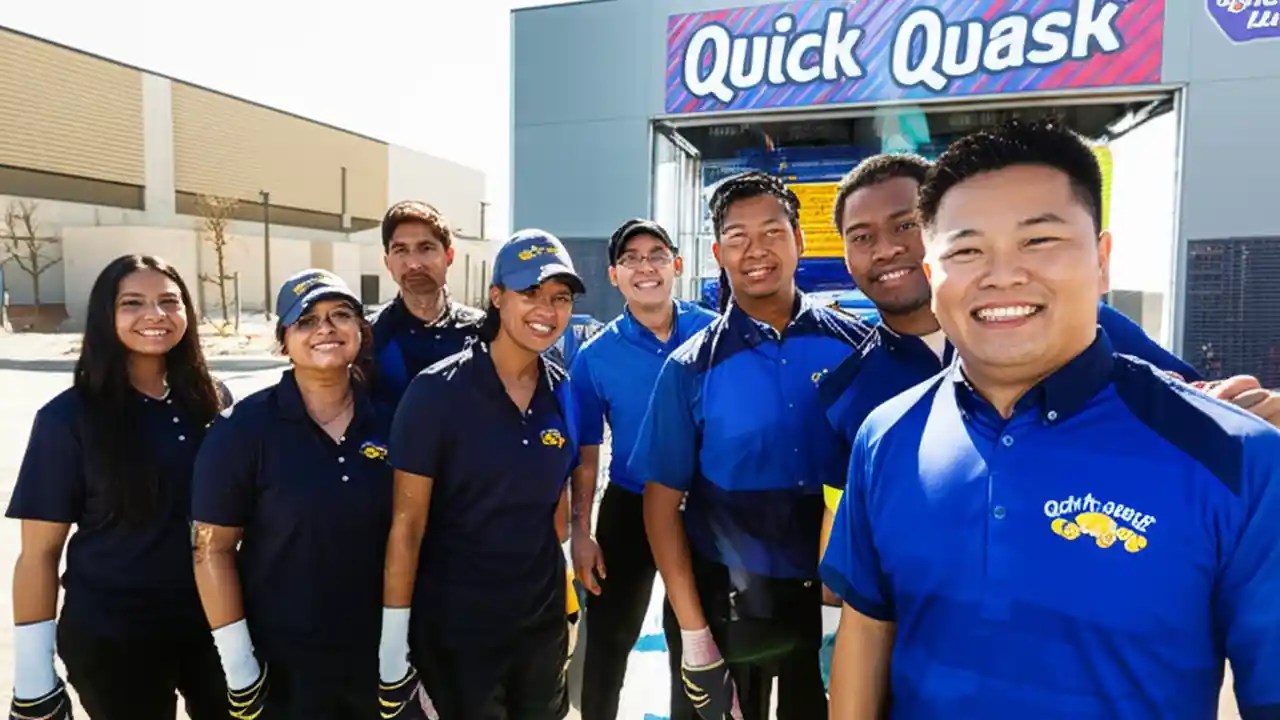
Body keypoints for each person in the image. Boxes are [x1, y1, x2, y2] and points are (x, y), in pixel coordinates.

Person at [820, 117, 1280, 719]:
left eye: (1039, 240)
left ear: (1102, 258)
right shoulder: (886, 434)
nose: (1002, 273)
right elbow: (868, 626)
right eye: (966, 249)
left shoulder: (1236, 456)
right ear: (934, 277)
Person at [817, 152, 1280, 519]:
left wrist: (1244, 415)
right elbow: (847, 549)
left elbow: (1202, 409)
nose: (887, 248)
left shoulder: (1087, 328)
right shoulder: (850, 393)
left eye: (906, 226)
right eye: (861, 237)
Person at [634, 171, 875, 720]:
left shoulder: (854, 349)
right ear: (718, 252)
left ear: (800, 240)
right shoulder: (690, 367)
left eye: (771, 231)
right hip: (725, 601)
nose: (755, 250)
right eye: (737, 237)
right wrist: (694, 636)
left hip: (833, 603)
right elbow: (661, 505)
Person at [7, 254, 231, 720]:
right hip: (114, 636)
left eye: (170, 301)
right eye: (133, 302)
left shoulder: (213, 401)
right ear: (106, 317)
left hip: (215, 623)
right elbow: (39, 554)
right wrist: (32, 674)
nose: (155, 315)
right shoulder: (66, 419)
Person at [379, 229, 585, 719]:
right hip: (458, 631)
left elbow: (553, 510)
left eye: (560, 298)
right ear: (497, 297)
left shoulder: (564, 391)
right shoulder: (436, 393)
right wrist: (392, 648)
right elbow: (406, 529)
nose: (546, 310)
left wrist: (566, 598)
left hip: (540, 626)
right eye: (530, 293)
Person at [190, 269, 391, 719]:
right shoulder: (241, 429)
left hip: (378, 655)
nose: (325, 328)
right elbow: (212, 550)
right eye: (305, 320)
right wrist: (239, 664)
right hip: (282, 664)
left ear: (360, 330)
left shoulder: (397, 421)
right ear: (283, 340)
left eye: (341, 314)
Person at [568, 218, 717, 720]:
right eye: (631, 258)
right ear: (614, 275)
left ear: (677, 264)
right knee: (608, 640)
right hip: (630, 503)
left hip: (703, 507)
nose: (645, 267)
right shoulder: (595, 357)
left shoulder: (714, 332)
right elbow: (587, 453)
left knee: (694, 640)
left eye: (656, 254)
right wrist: (581, 533)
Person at [369, 200, 485, 410]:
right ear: (388, 262)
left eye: (426, 248)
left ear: (449, 256)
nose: (414, 264)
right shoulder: (369, 337)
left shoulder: (484, 332)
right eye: (401, 250)